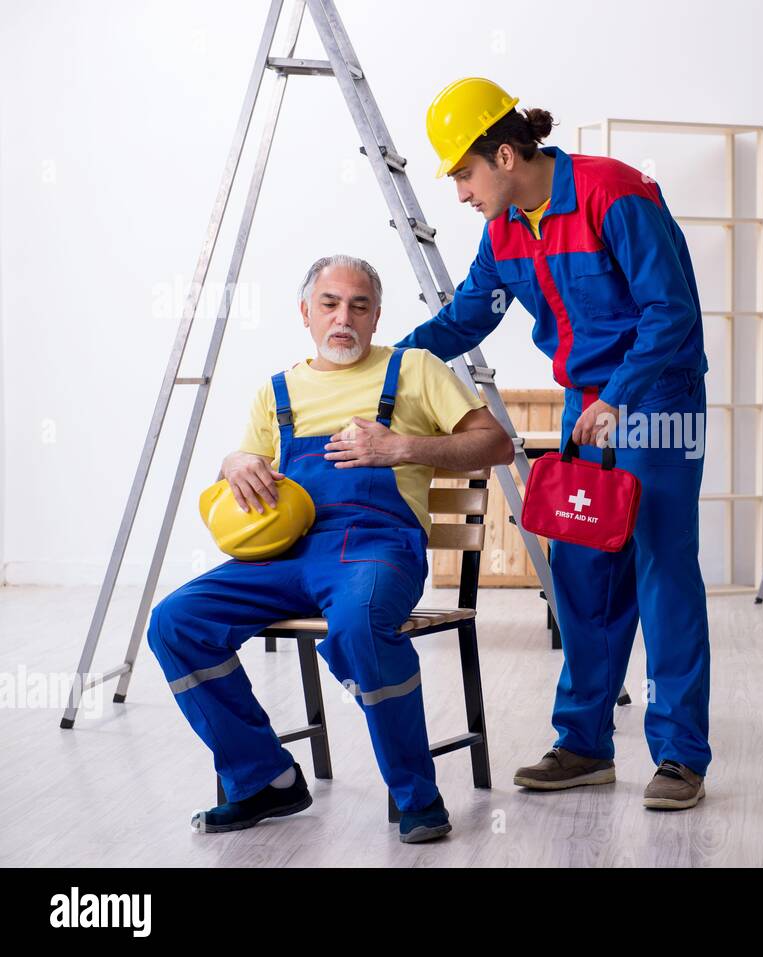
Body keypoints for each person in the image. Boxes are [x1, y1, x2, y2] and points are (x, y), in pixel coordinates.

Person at [398, 78, 712, 809]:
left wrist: (617, 397)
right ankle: (583, 743)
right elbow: (468, 317)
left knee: (662, 568)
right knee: (579, 571)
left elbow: (672, 311)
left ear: (504, 154)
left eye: (465, 174)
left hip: (658, 397)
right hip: (587, 409)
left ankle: (680, 756)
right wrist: (390, 364)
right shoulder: (506, 228)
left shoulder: (614, 192)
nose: (462, 194)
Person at [147, 254, 513, 842]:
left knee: (361, 626)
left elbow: (495, 444)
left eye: (359, 306)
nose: (344, 317)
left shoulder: (415, 369)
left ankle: (415, 794)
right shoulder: (277, 392)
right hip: (283, 554)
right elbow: (250, 474)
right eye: (330, 304)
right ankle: (263, 779)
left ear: (375, 318)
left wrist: (401, 449)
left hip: (376, 547)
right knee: (175, 622)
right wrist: (234, 461)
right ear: (305, 313)